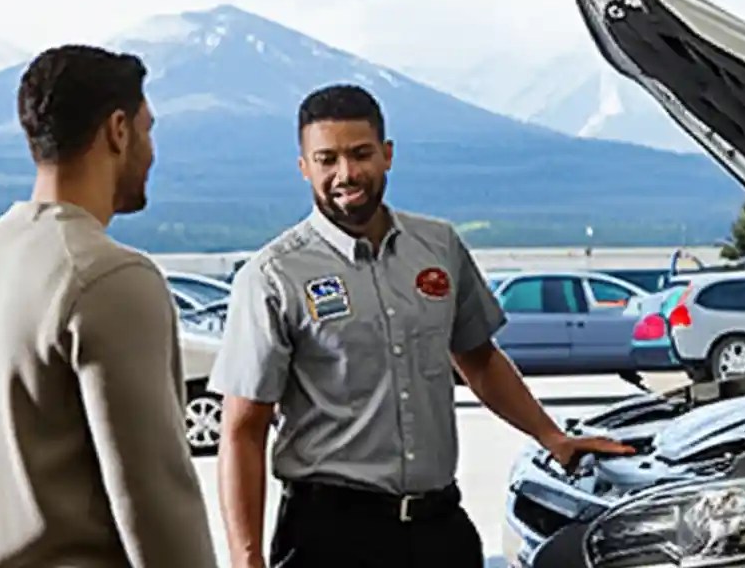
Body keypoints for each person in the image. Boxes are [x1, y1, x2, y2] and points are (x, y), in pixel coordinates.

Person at [211, 84, 634, 568]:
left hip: (438, 527)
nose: (346, 174)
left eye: (361, 154)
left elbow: (479, 359)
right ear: (304, 167)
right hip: (328, 535)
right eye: (327, 159)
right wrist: (246, 558)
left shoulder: (439, 246)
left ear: (387, 154)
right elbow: (244, 429)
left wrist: (551, 436)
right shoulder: (272, 276)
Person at [0, 45, 218, 568]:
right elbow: (157, 500)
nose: (152, 151)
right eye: (148, 129)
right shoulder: (107, 277)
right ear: (118, 130)